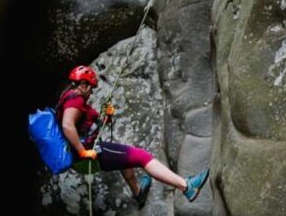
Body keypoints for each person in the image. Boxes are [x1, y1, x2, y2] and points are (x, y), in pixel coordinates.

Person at [59, 65, 210, 208]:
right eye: (90, 88)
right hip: (89, 156)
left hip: (83, 156)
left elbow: (84, 125)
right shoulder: (76, 100)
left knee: (125, 158)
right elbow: (67, 125)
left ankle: (138, 193)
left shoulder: (68, 97)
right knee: (142, 157)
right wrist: (82, 151)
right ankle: (186, 186)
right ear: (83, 84)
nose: (91, 92)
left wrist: (106, 118)